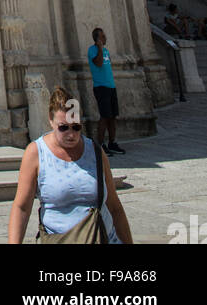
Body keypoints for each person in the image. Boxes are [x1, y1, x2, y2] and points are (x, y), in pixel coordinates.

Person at [7, 85, 133, 243]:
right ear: (51, 121)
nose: (71, 134)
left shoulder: (94, 151)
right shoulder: (36, 153)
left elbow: (114, 206)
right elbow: (22, 207)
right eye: (63, 127)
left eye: (76, 127)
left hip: (100, 237)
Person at [88, 27, 125, 154]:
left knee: (113, 116)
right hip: (101, 87)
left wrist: (102, 49)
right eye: (102, 37)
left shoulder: (106, 51)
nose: (105, 38)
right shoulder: (93, 50)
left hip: (111, 86)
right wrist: (99, 48)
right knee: (104, 116)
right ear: (97, 39)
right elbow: (98, 63)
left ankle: (112, 142)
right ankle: (100, 144)